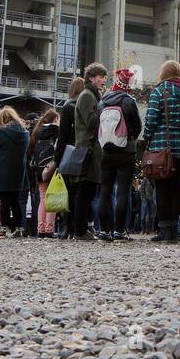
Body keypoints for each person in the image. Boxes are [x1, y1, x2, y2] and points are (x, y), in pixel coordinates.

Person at [142, 61, 180, 243]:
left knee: (162, 189)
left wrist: (147, 137)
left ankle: (165, 230)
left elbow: (151, 119)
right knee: (176, 188)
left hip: (161, 147)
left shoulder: (160, 90)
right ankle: (175, 230)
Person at [56, 66, 106, 241]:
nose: (104, 80)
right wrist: (103, 108)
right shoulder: (87, 96)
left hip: (90, 148)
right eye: (101, 76)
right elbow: (91, 122)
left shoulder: (91, 95)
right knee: (84, 191)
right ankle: (80, 231)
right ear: (91, 78)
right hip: (87, 149)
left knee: (87, 190)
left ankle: (81, 229)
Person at [96, 69, 144, 241]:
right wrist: (130, 137)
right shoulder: (128, 101)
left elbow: (97, 126)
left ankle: (104, 230)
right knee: (123, 190)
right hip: (126, 150)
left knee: (105, 191)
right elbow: (137, 126)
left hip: (106, 151)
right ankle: (119, 230)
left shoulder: (102, 101)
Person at [0, 107, 29, 237]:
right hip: (19, 172)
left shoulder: (2, 133)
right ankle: (19, 228)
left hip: (3, 171)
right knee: (16, 200)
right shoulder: (25, 133)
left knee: (4, 200)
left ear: (2, 119)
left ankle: (3, 228)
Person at [25, 108, 61, 237]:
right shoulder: (56, 130)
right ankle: (49, 229)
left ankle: (41, 229)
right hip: (52, 168)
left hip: (38, 169)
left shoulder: (36, 131)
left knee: (42, 198)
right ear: (55, 119)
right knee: (52, 198)